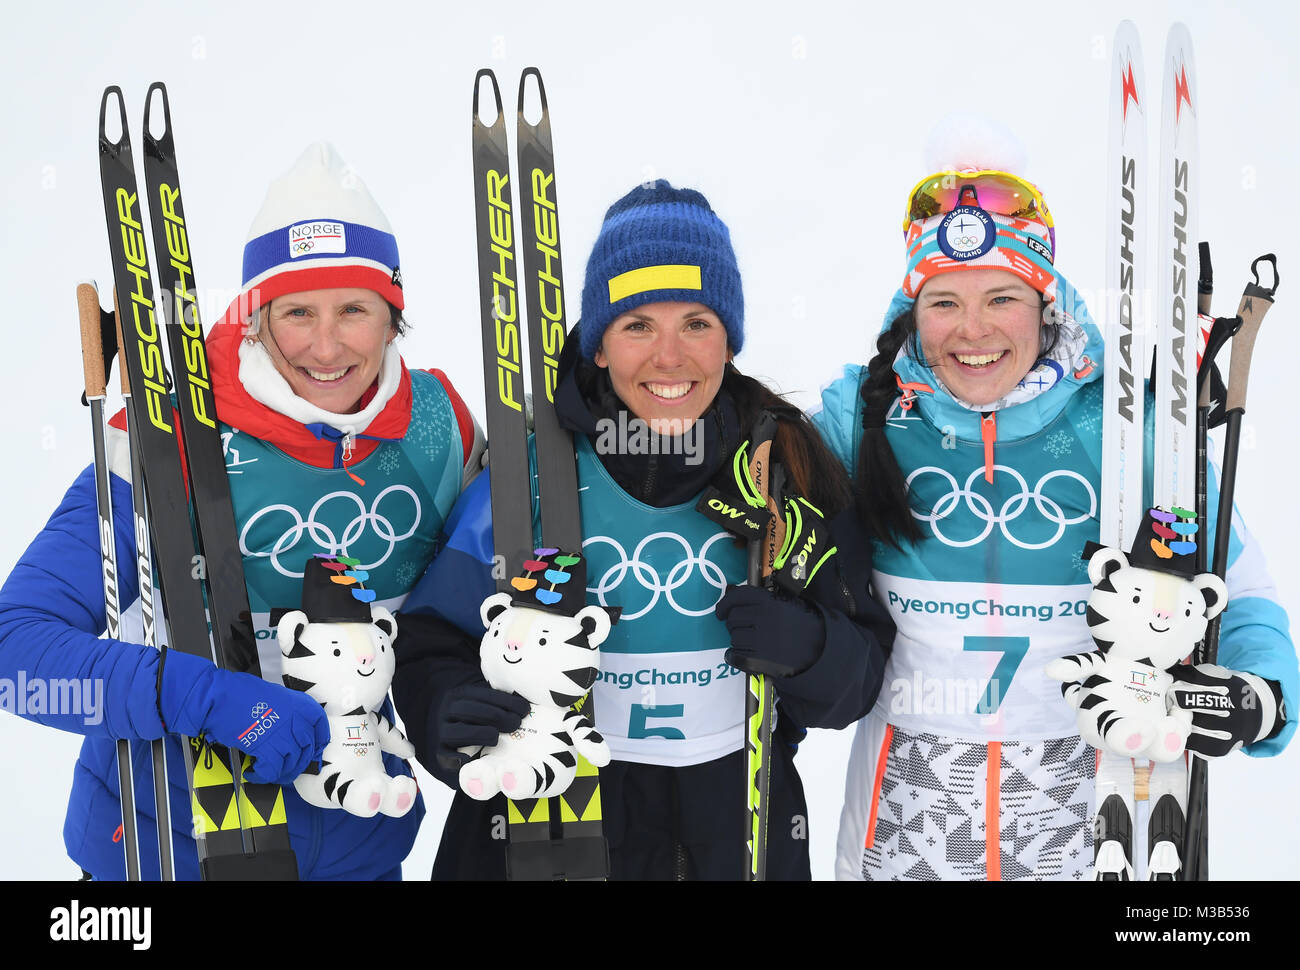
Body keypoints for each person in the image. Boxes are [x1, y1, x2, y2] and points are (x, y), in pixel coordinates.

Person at [811, 137, 1297, 880]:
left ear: (1046, 305)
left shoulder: (1123, 429)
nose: (972, 331)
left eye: (1001, 297)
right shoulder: (861, 419)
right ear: (916, 312)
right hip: (906, 815)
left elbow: (1243, 589)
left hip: (1089, 809)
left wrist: (1260, 690)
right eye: (944, 302)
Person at [0, 142, 481, 880]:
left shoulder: (441, 430)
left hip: (360, 848)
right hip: (167, 849)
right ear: (255, 318)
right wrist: (198, 696)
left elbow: (465, 619)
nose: (326, 345)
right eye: (296, 313)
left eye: (354, 309)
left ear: (393, 317)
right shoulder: (171, 438)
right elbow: (18, 655)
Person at [393, 181, 894, 879]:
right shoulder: (529, 474)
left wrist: (811, 648)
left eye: (696, 323)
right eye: (636, 326)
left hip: (738, 836)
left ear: (728, 340)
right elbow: (428, 643)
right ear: (597, 346)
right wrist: (447, 711)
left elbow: (860, 676)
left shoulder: (784, 463)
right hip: (544, 834)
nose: (669, 357)